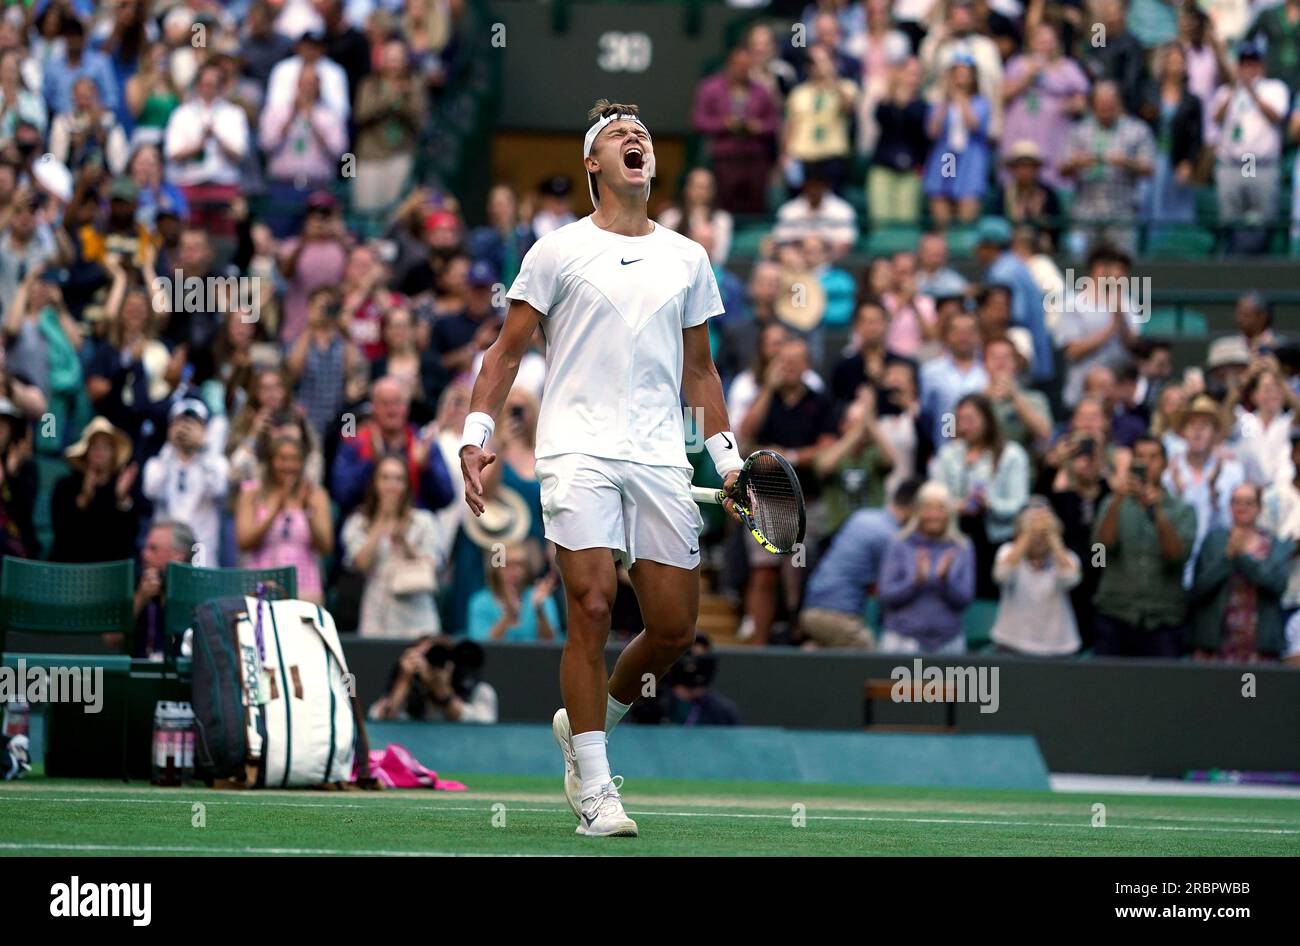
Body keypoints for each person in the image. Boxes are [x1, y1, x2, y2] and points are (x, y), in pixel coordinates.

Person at [459, 100, 738, 838]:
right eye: (618, 135)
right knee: (588, 605)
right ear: (593, 163)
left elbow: (701, 375)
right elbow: (505, 354)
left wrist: (729, 462)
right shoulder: (555, 251)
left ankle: (587, 725)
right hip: (575, 449)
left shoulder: (688, 257)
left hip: (658, 455)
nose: (635, 139)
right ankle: (596, 789)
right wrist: (476, 435)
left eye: (642, 132)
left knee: (674, 630)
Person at [1092, 436, 1198, 657]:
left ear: (1165, 463)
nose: (1147, 463)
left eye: (1153, 457)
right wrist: (1118, 501)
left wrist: (1158, 512)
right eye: (1140, 457)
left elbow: (1176, 557)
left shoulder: (1182, 510)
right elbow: (1098, 556)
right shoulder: (1111, 503)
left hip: (1163, 620)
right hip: (1115, 615)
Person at [800, 478, 922, 649]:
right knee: (867, 659)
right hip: (835, 616)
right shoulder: (890, 536)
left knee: (827, 656)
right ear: (915, 508)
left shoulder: (862, 516)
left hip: (810, 609)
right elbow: (891, 588)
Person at [930, 393, 1031, 597]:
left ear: (987, 419)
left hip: (997, 538)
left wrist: (990, 504)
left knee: (990, 595)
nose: (964, 426)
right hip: (957, 535)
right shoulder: (948, 453)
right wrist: (957, 505)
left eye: (970, 419)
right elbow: (936, 496)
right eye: (960, 420)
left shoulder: (1012, 454)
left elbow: (1019, 503)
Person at [342, 455, 448, 638]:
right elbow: (360, 564)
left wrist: (404, 543)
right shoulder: (358, 522)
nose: (392, 485)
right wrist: (382, 521)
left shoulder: (424, 521)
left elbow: (433, 565)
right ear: (374, 483)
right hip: (377, 616)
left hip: (418, 618)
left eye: (398, 479)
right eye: (385, 478)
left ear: (407, 485)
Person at [1189, 483, 1293, 662]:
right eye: (1237, 502)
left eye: (1249, 503)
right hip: (1216, 644)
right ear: (1229, 507)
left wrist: (1242, 557)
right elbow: (1200, 587)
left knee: (1251, 690)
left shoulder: (1274, 545)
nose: (1242, 508)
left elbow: (1277, 585)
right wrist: (1227, 558)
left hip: (1258, 646)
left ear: (1259, 508)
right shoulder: (1215, 540)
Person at [876, 480, 976, 654]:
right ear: (917, 511)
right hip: (902, 640)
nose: (934, 515)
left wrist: (945, 581)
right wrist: (915, 581)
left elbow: (965, 600)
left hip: (948, 642)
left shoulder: (962, 546)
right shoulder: (899, 543)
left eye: (940, 508)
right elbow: (886, 595)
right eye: (927, 508)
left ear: (949, 513)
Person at [234, 434, 332, 605]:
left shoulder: (315, 495)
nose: (289, 465)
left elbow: (325, 547)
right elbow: (244, 542)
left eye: (294, 459)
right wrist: (274, 511)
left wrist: (307, 511)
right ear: (271, 461)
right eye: (283, 459)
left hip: (305, 588)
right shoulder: (251, 493)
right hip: (260, 585)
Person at [141, 398, 229, 566]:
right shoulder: (158, 463)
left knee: (201, 588)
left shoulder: (217, 463)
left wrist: (203, 448)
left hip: (202, 550)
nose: (185, 429)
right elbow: (152, 489)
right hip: (167, 552)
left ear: (205, 429)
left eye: (193, 424)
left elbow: (217, 488)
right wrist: (170, 446)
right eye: (179, 423)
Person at [990, 501, 1083, 656]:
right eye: (1033, 531)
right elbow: (1001, 574)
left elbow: (1072, 579)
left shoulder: (1067, 557)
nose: (1038, 537)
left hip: (1058, 647)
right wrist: (1027, 534)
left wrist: (1053, 537)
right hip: (1011, 643)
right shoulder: (1007, 552)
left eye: (1043, 533)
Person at [49, 416, 139, 563]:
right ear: (85, 451)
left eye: (106, 447)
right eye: (95, 446)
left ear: (114, 454)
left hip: (108, 570)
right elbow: (62, 533)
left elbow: (126, 539)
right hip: (69, 566)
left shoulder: (122, 488)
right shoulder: (65, 485)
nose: (100, 451)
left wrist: (122, 499)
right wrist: (84, 497)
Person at [369, 637, 498, 722]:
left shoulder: (481, 692)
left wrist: (444, 695)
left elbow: (484, 728)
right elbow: (378, 722)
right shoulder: (407, 691)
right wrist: (404, 680)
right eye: (427, 657)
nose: (433, 664)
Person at [118, 519, 196, 660]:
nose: (144, 554)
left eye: (153, 549)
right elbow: (112, 640)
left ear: (177, 556)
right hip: (138, 671)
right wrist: (140, 599)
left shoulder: (196, 592)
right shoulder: (135, 583)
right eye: (146, 547)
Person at [466, 541, 561, 642]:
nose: (514, 570)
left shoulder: (540, 597)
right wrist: (508, 617)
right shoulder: (480, 602)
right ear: (496, 568)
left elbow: (552, 644)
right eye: (507, 564)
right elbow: (481, 646)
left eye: (520, 564)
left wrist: (540, 611)